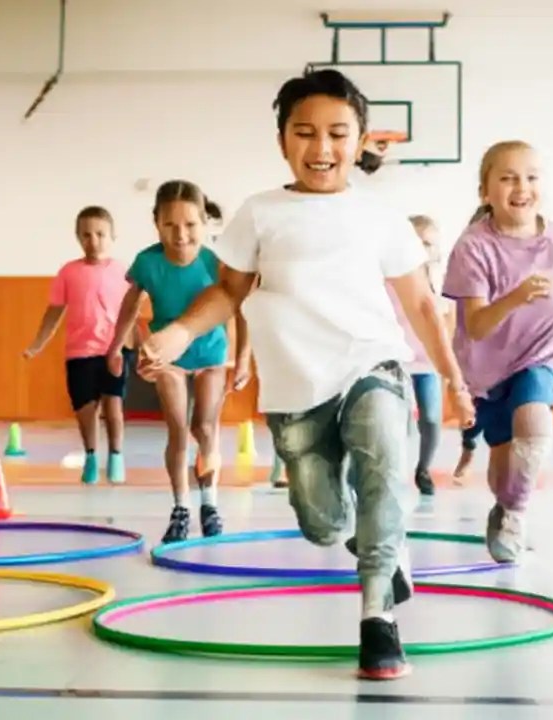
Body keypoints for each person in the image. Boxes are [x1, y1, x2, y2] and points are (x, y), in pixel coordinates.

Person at [137, 68, 473, 681]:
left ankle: (377, 615)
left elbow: (423, 305)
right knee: (322, 523)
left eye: (338, 133)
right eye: (306, 133)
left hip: (371, 363)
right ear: (282, 141)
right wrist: (179, 332)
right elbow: (227, 292)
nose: (322, 148)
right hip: (295, 388)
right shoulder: (260, 213)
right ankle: (376, 548)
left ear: (363, 139)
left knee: (381, 467)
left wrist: (453, 379)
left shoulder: (380, 217)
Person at [443, 140, 553, 562]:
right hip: (488, 367)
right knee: (502, 471)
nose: (522, 186)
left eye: (531, 177)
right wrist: (514, 297)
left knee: (535, 426)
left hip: (541, 356)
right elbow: (476, 325)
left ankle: (515, 514)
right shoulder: (472, 247)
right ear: (485, 191)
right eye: (508, 177)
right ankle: (505, 503)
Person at [108, 180, 248, 542]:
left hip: (211, 355)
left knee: (205, 428)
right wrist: (114, 347)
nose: (181, 235)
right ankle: (181, 507)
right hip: (168, 358)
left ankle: (210, 503)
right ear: (157, 223)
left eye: (190, 225)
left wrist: (243, 357)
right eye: (170, 225)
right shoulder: (147, 262)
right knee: (177, 428)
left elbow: (241, 307)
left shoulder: (217, 262)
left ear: (205, 223)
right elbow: (130, 303)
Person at [24, 206, 133, 485]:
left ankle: (117, 456)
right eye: (86, 235)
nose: (94, 241)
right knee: (85, 408)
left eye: (100, 234)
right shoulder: (68, 272)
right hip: (80, 351)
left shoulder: (123, 271)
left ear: (112, 236)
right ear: (78, 237)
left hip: (113, 349)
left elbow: (132, 311)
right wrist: (38, 344)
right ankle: (92, 456)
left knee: (113, 404)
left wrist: (137, 345)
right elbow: (54, 311)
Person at [386, 214, 451, 496]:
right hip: (396, 358)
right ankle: (388, 471)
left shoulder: (439, 280)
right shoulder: (389, 278)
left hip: (427, 362)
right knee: (394, 419)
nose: (425, 250)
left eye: (430, 244)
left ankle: (423, 468)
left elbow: (446, 321)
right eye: (420, 243)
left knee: (432, 418)